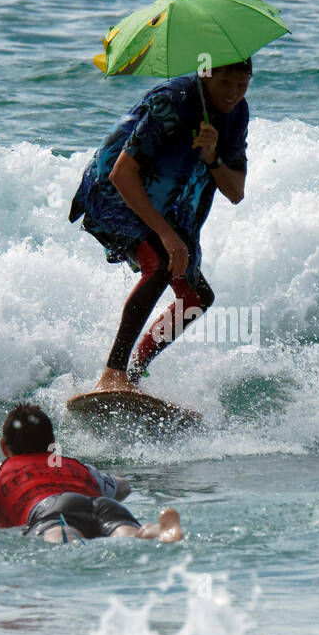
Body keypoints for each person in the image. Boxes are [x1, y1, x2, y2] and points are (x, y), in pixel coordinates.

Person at [68, 59, 250, 392]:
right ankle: (112, 374)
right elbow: (121, 173)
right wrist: (166, 234)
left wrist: (212, 156)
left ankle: (134, 375)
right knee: (163, 261)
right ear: (205, 75)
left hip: (169, 204)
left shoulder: (236, 114)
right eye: (225, 83)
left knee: (196, 297)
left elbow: (235, 191)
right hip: (115, 194)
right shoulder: (172, 102)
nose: (233, 94)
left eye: (242, 85)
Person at [0, 404, 184, 542]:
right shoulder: (79, 467)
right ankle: (159, 530)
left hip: (51, 509)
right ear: (52, 443)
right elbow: (122, 487)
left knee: (63, 538)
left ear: (3, 447)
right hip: (101, 504)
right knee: (130, 534)